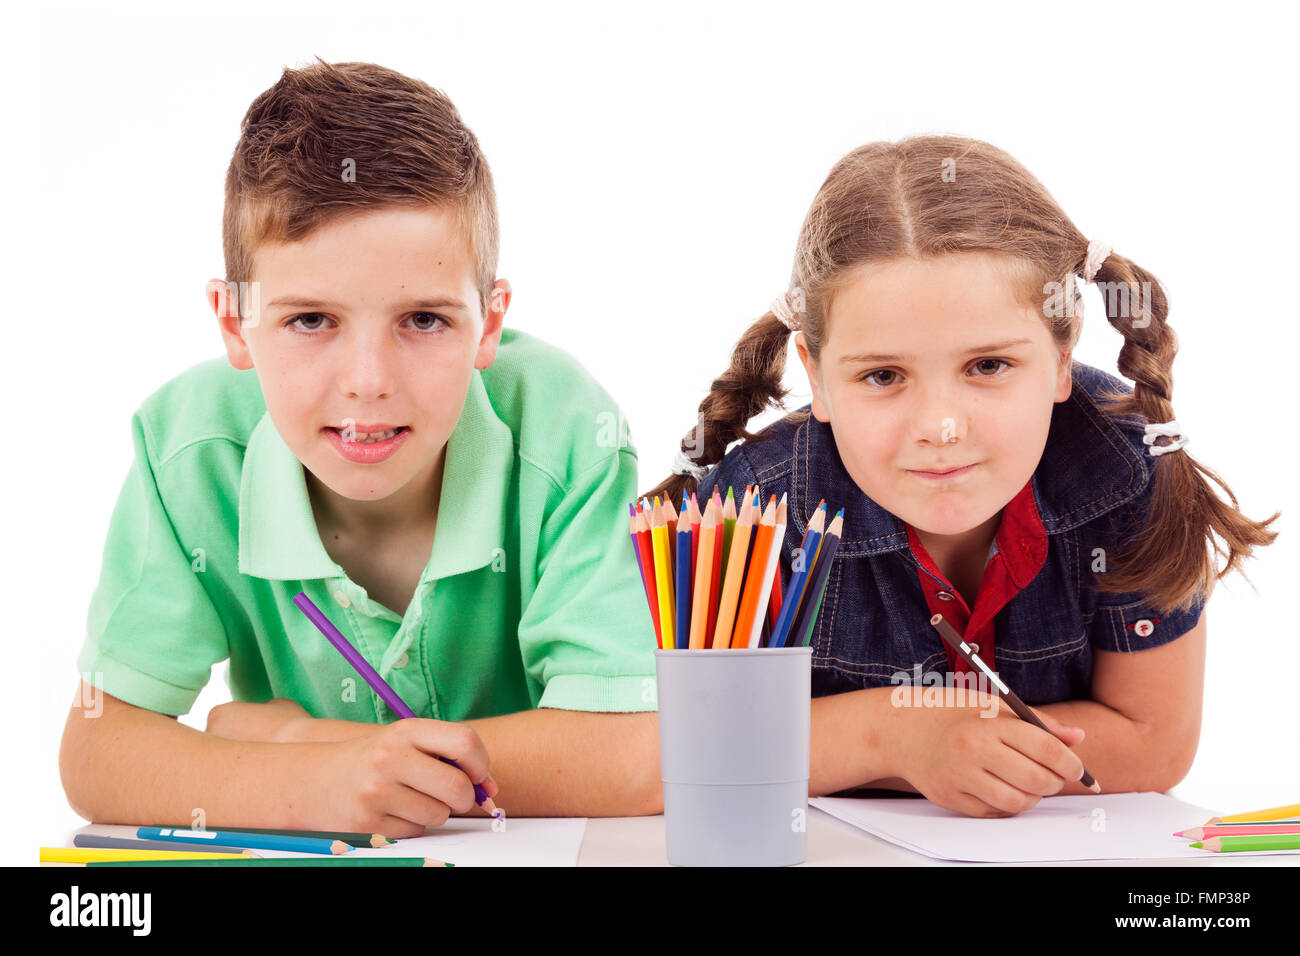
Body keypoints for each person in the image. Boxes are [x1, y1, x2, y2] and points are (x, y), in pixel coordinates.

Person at [61, 60, 660, 837]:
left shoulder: (566, 428)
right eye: (311, 320)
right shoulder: (190, 448)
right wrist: (319, 784)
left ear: (490, 321)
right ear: (235, 323)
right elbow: (98, 751)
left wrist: (295, 744)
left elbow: (629, 751)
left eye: (423, 320)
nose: (369, 383)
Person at [642, 135, 1278, 818]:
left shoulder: (1127, 472)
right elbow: (693, 748)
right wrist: (894, 737)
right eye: (883, 376)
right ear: (815, 375)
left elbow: (1154, 743)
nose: (941, 426)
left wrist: (875, 747)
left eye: (989, 366)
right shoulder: (752, 510)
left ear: (1063, 356)